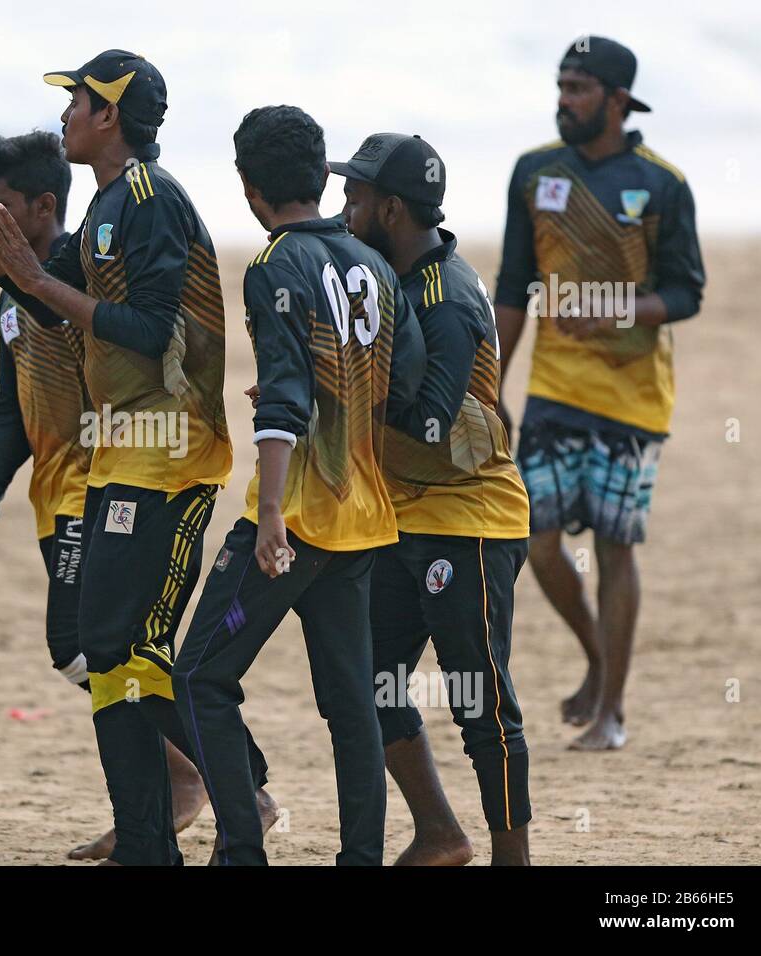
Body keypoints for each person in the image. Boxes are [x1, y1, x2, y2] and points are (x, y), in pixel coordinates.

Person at [0, 50, 272, 865]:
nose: (65, 114)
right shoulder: (110, 207)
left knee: (130, 648)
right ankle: (147, 845)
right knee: (104, 651)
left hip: (174, 457)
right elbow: (41, 305)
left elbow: (149, 331)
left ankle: (237, 804)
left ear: (109, 114)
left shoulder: (149, 202)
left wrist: (36, 282)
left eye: (75, 100)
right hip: (122, 463)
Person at [172, 106, 425, 865]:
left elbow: (283, 398)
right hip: (364, 520)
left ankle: (241, 849)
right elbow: (404, 382)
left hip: (295, 520)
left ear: (247, 187)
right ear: (323, 178)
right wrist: (327, 394)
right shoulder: (376, 266)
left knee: (199, 677)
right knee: (353, 708)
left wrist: (274, 511)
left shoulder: (273, 266)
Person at [0, 130, 209, 860]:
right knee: (94, 653)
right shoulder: (16, 296)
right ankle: (187, 783)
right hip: (49, 493)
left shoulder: (72, 282)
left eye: (0, 207)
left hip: (101, 487)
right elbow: (11, 403)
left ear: (42, 207)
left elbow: (85, 322)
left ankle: (210, 774)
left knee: (84, 646)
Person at [493, 36, 704, 750]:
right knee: (538, 544)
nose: (564, 100)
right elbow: (513, 288)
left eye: (579, 89)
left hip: (632, 397)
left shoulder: (662, 183)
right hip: (553, 387)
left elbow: (685, 292)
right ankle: (595, 656)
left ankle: (611, 709)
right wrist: (489, 385)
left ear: (618, 100)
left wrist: (614, 310)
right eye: (561, 86)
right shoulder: (533, 174)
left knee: (615, 547)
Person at [338, 132, 532, 864]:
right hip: (403, 517)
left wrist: (336, 393)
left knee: (479, 703)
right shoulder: (389, 277)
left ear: (390, 208)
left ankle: (513, 859)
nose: (342, 208)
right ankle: (441, 833)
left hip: (470, 522)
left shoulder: (445, 297)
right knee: (373, 678)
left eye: (353, 196)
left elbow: (429, 421)